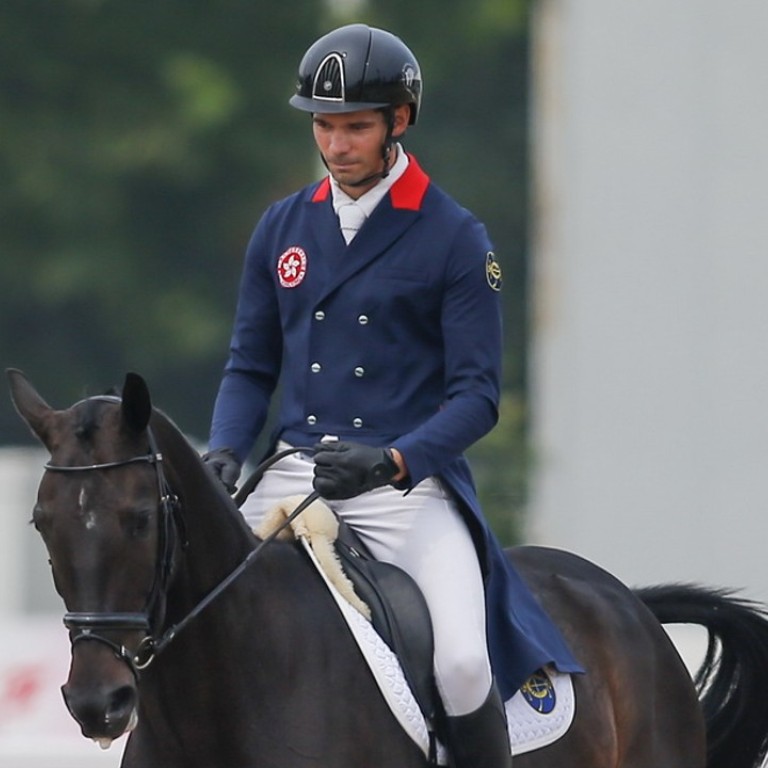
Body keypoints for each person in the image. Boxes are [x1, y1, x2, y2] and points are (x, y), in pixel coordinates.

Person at [204, 23, 580, 768]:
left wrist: (392, 461)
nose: (336, 145)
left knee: (463, 664)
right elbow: (249, 368)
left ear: (398, 120)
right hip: (291, 475)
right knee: (189, 607)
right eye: (323, 126)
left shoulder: (453, 236)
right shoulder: (282, 226)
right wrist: (224, 450)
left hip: (404, 489)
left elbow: (477, 396)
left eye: (355, 127)